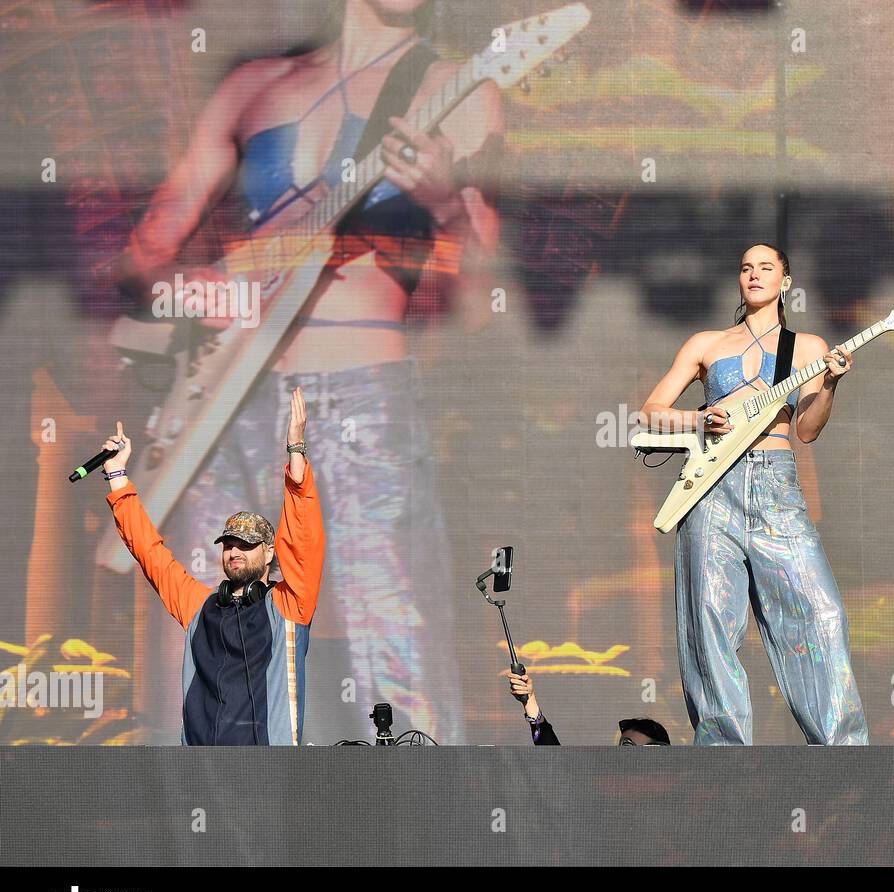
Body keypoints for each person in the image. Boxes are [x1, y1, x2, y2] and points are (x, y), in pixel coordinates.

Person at [112, 0, 503, 743]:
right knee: (207, 667)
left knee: (397, 663)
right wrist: (198, 289)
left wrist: (446, 204)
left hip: (362, 399)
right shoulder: (256, 85)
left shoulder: (461, 88)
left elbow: (484, 305)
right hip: (230, 402)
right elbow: (143, 257)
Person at [637, 243, 869, 746]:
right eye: (746, 268)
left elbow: (807, 430)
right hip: (713, 489)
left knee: (821, 613)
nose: (755, 275)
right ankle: (723, 756)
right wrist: (698, 418)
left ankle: (845, 752)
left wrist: (829, 385)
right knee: (712, 619)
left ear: (785, 280)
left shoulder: (805, 347)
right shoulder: (706, 343)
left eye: (767, 267)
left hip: (775, 483)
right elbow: (651, 410)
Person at [101, 387, 325, 745]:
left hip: (268, 776)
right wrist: (117, 477)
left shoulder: (288, 606)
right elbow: (150, 553)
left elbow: (303, 542)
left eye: (247, 545)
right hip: (202, 775)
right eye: (229, 544)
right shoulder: (199, 606)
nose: (235, 552)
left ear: (268, 554)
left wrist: (296, 453)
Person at [506, 673, 671, 746]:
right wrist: (529, 701)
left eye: (629, 747)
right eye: (623, 746)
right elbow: (554, 757)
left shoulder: (677, 799)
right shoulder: (600, 789)